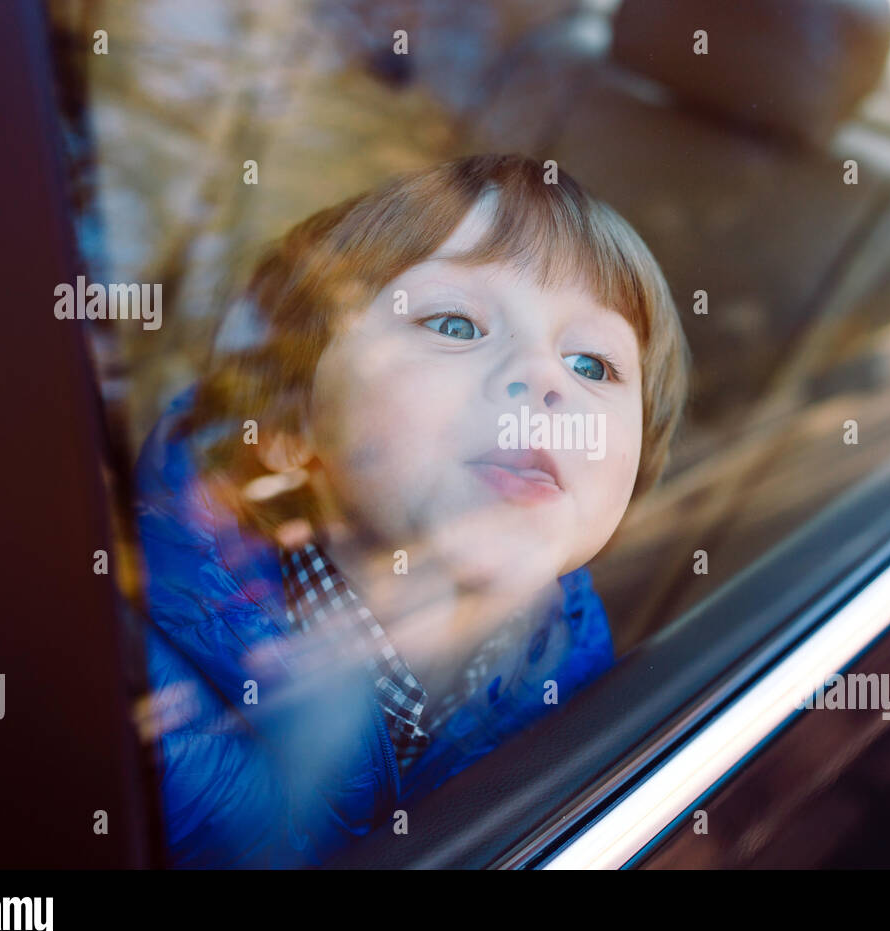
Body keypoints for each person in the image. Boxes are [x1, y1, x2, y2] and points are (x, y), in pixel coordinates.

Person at [133, 153, 691, 866]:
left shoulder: (593, 705)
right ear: (289, 417)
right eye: (456, 325)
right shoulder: (135, 691)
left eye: (592, 366)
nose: (545, 381)